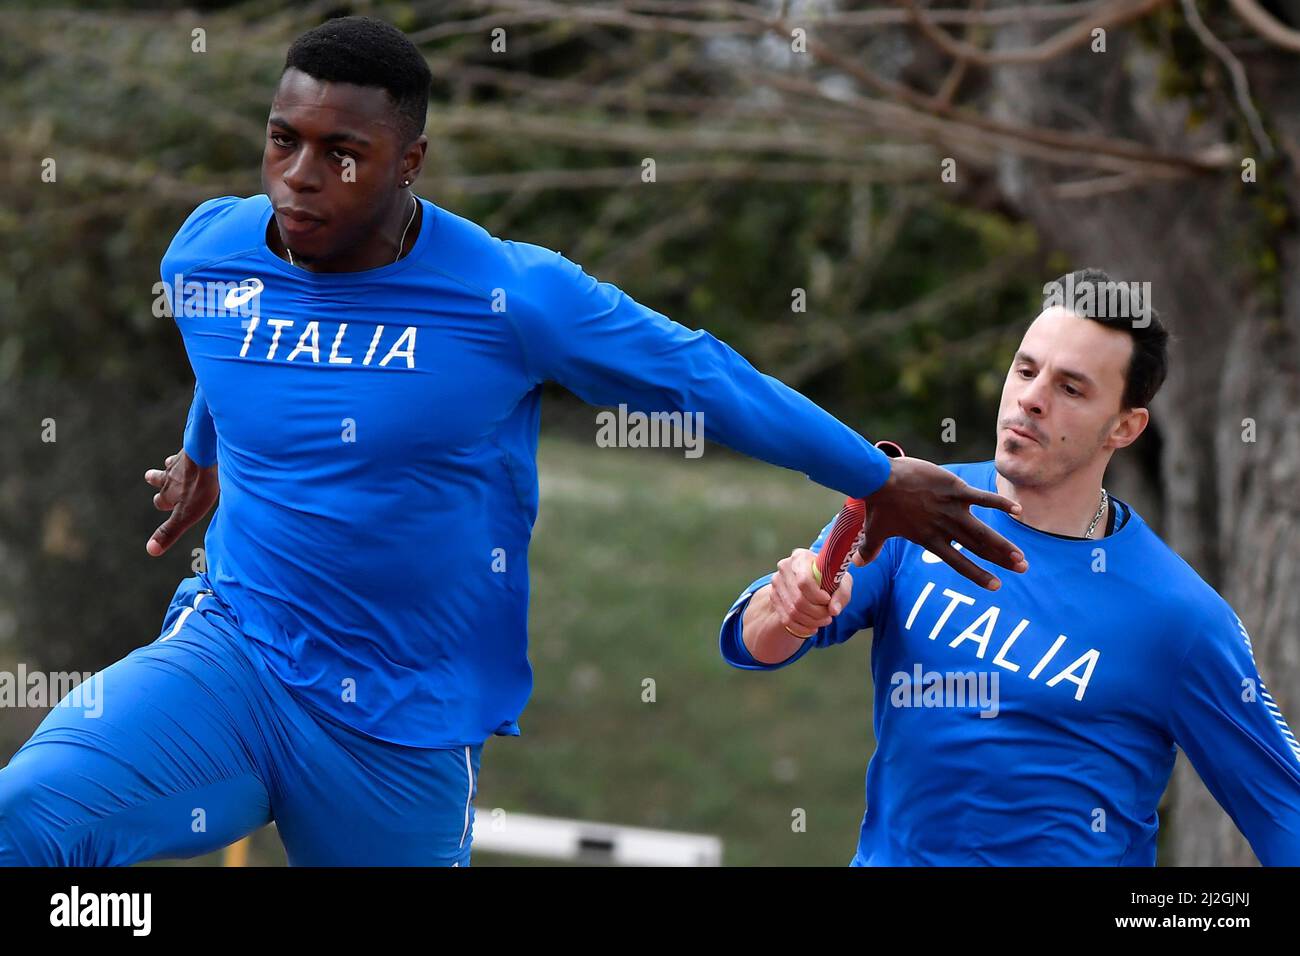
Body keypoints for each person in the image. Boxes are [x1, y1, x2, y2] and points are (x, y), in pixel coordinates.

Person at [0, 16, 1027, 866]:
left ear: (411, 163)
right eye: (283, 141)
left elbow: (701, 375)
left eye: (342, 153)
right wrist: (204, 454)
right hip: (235, 653)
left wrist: (874, 474)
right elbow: (229, 360)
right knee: (28, 818)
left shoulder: (511, 296)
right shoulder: (210, 252)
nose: (299, 178)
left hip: (398, 725)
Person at [721, 270, 1300, 865]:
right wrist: (789, 603)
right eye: (1026, 370)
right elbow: (754, 643)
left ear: (1125, 427)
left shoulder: (1181, 617)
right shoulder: (914, 506)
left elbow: (1284, 812)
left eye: (1071, 389)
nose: (1032, 398)